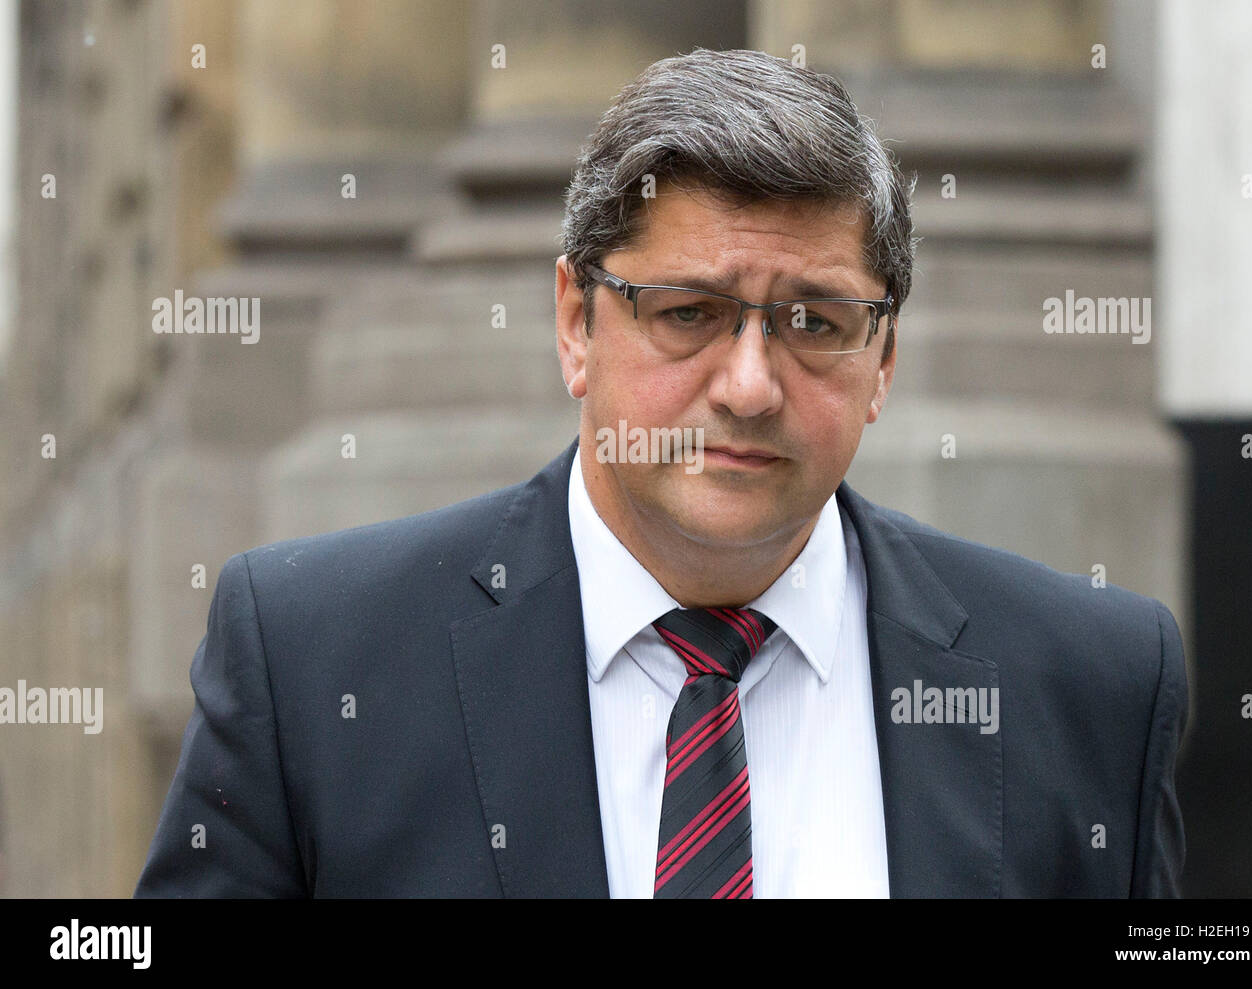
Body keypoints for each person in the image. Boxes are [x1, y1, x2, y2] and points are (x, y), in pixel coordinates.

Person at [135, 48, 1187, 898]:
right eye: (688, 313)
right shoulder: (318, 661)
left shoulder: (1085, 682)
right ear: (573, 322)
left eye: (814, 322)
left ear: (884, 361)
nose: (748, 385)